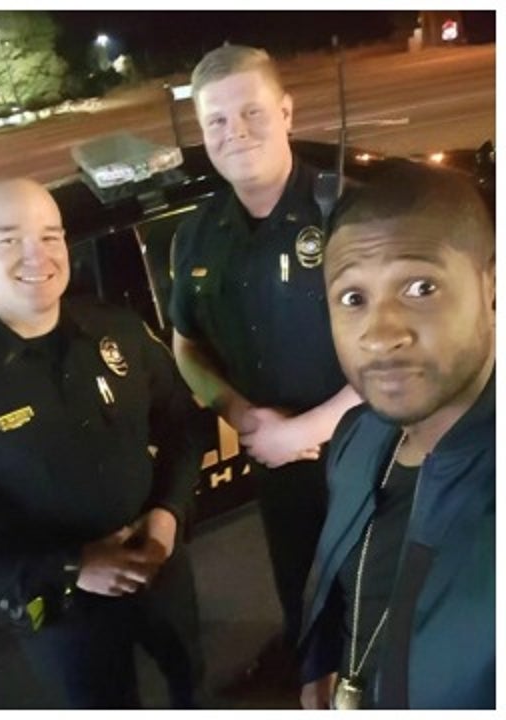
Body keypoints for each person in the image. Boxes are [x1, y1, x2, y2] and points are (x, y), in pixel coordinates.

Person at [0, 177, 206, 708]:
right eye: (9, 239)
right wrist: (75, 566)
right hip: (57, 604)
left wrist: (168, 513)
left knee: (192, 678)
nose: (38, 255)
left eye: (50, 236)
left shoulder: (115, 330)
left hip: (158, 560)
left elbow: (183, 425)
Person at [168, 44, 362, 654]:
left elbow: (406, 351)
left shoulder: (350, 213)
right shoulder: (197, 234)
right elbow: (186, 346)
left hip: (372, 456)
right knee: (300, 595)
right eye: (216, 121)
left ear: (285, 111)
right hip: (277, 469)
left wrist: (309, 427)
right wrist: (243, 416)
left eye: (251, 112)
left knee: (377, 610)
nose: (235, 132)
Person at [299, 164, 494, 709]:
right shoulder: (358, 439)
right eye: (353, 299)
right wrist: (325, 662)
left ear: (493, 286)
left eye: (420, 287)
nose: (381, 335)